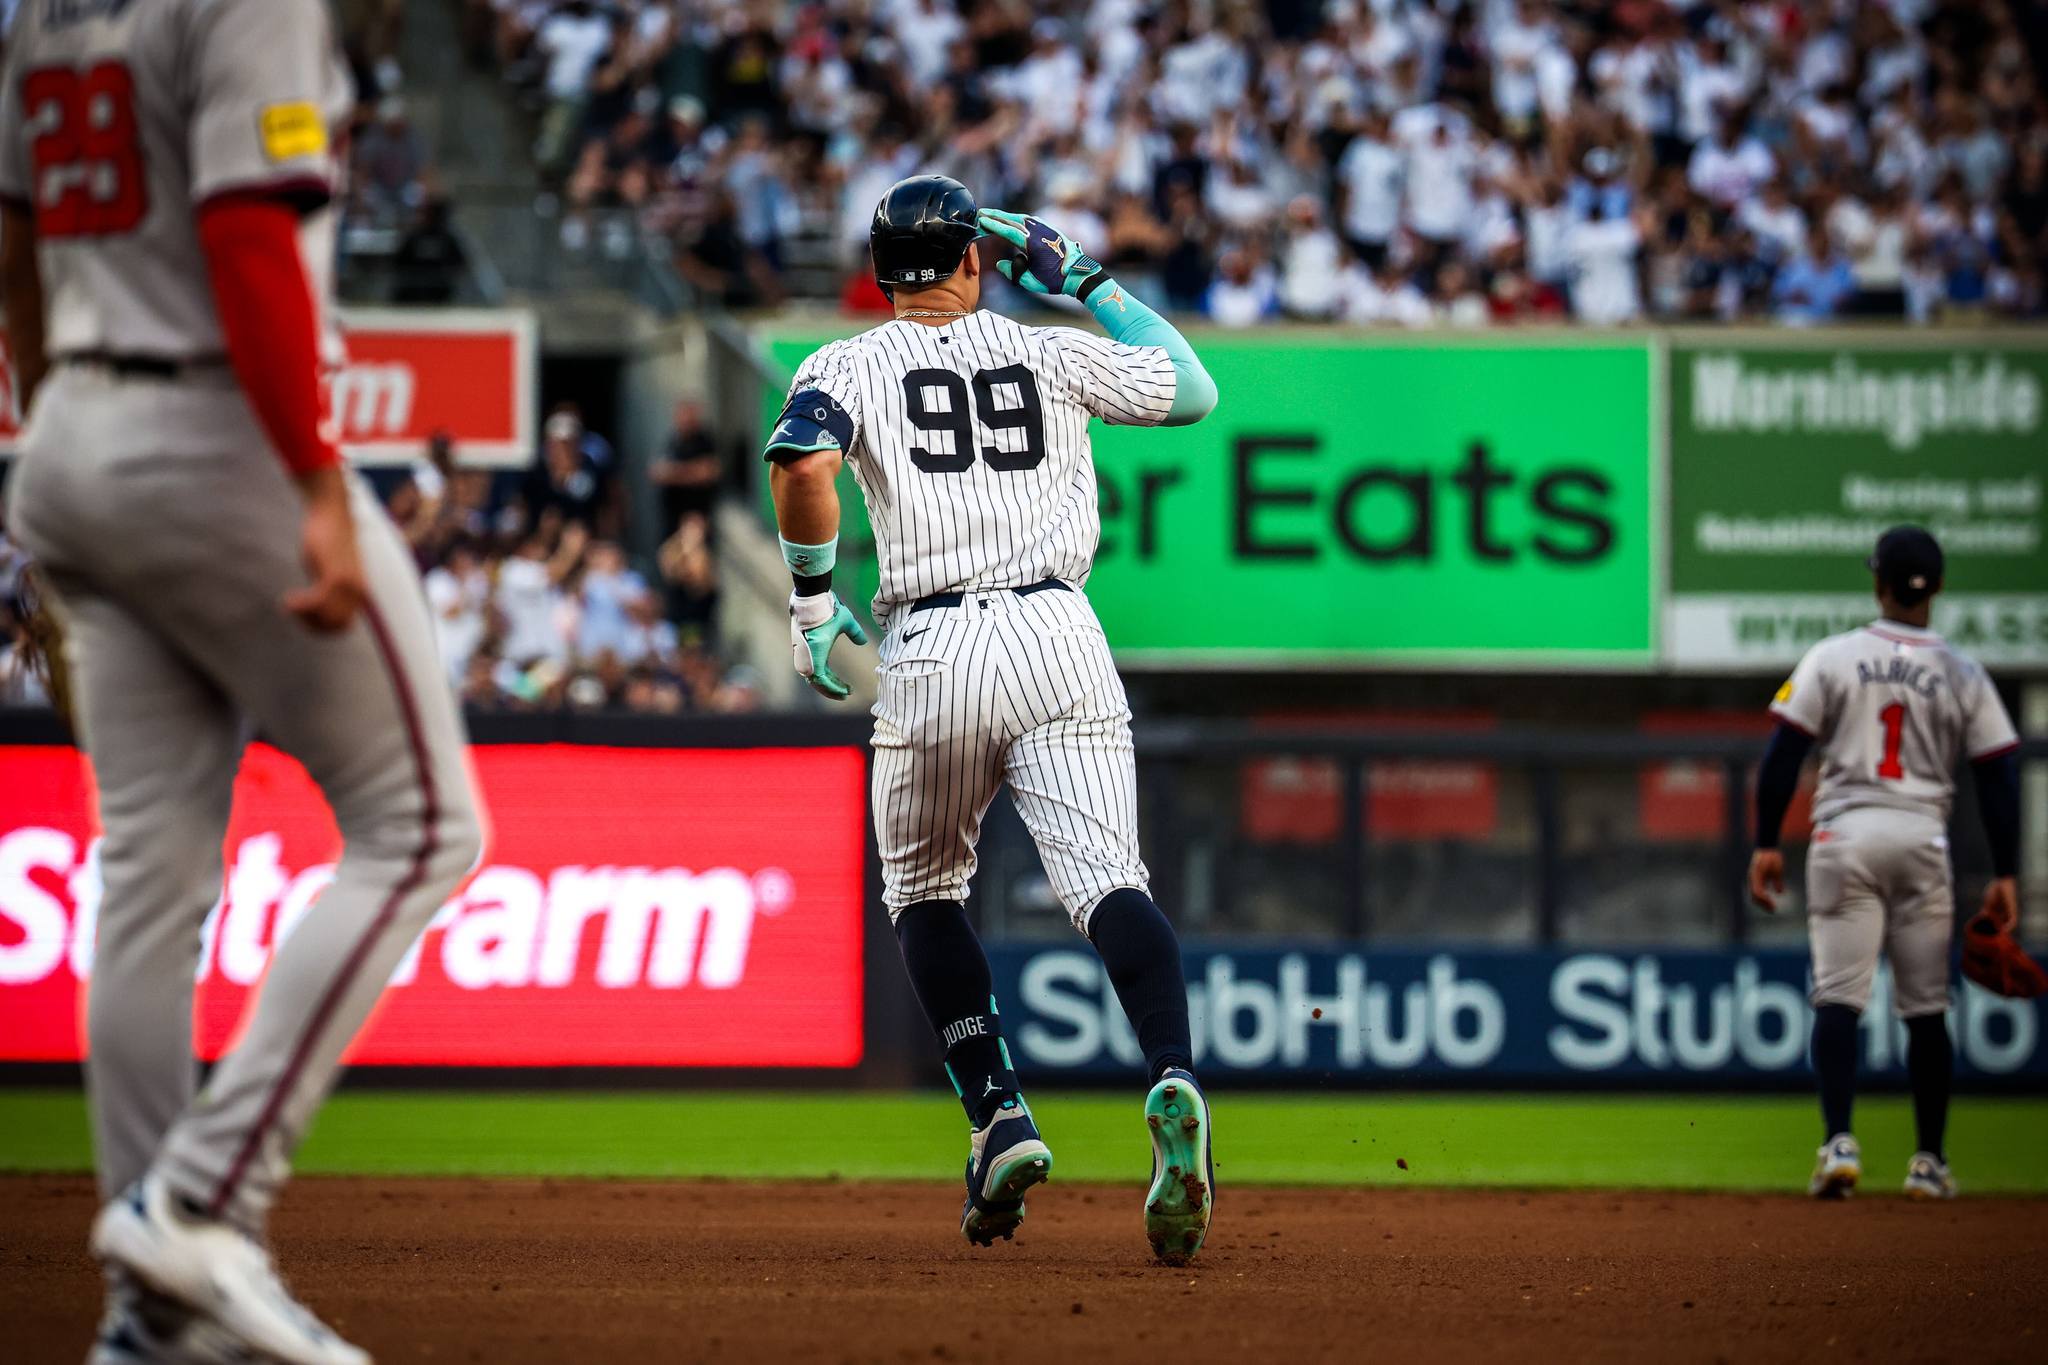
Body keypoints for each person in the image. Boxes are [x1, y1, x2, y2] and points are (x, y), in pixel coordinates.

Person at [0, 0, 483, 1361]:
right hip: (215, 428)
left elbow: (19, 249)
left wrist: (57, 472)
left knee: (150, 876)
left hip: (70, 436)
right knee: (427, 825)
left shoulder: (46, 13)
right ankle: (202, 1201)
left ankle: (149, 1320)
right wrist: (318, 485)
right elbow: (245, 233)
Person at [765, 175, 1218, 1262]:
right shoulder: (1048, 349)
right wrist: (1076, 276)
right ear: (975, 262)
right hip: (1061, 632)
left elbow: (803, 464)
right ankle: (1170, 1074)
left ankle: (997, 1113)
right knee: (1110, 881)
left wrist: (812, 598)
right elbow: (1191, 390)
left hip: (931, 644)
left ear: (878, 275)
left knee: (923, 891)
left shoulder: (844, 363)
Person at [1749, 527, 2021, 1201]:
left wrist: (1762, 842)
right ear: (1939, 588)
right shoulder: (1962, 670)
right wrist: (2006, 871)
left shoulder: (1835, 656)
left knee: (1838, 996)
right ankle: (1929, 1160)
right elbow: (1997, 773)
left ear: (1878, 582)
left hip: (1844, 836)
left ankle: (1838, 1140)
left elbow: (1783, 753)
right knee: (1927, 1007)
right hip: (1923, 838)